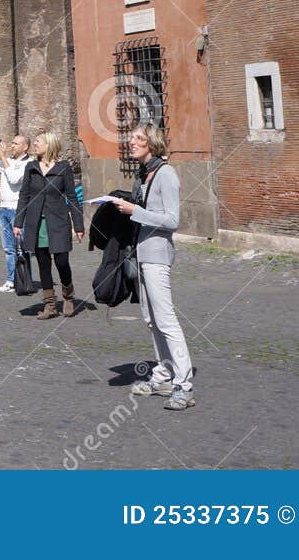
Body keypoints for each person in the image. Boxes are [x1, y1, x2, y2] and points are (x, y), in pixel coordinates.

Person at [115, 124, 195, 410]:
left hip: (158, 254)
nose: (131, 142)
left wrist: (135, 211)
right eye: (132, 138)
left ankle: (184, 385)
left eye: (138, 138)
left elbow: (172, 220)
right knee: (151, 320)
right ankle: (163, 375)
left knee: (166, 320)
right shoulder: (143, 176)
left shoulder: (166, 174)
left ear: (152, 143)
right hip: (141, 253)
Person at [13, 131, 83, 318]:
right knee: (43, 263)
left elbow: (72, 198)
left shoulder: (63, 168)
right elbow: (24, 196)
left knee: (61, 261)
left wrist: (79, 225)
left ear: (49, 145)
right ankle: (50, 305)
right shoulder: (31, 167)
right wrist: (18, 222)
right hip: (36, 224)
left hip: (58, 222)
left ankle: (68, 296)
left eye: (38, 141)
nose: (35, 144)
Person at [0, 136, 32, 292]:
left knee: (21, 247)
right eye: (12, 143)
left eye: (15, 143)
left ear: (25, 147)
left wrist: (2, 157)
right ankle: (11, 280)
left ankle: (24, 279)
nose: (12, 146)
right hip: (4, 209)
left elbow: (14, 179)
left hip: (17, 209)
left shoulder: (29, 163)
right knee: (8, 248)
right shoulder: (8, 161)